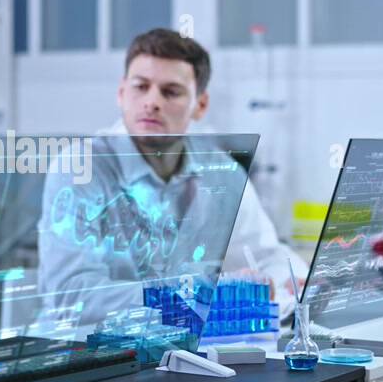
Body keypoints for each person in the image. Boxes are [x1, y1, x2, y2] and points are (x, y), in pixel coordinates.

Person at [37, 28, 307, 331]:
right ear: (121, 93)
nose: (152, 102)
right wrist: (188, 296)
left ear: (200, 105)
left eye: (171, 92)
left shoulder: (221, 171)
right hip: (82, 354)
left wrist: (281, 282)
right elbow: (71, 296)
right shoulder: (82, 167)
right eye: (141, 87)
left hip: (181, 350)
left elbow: (266, 255)